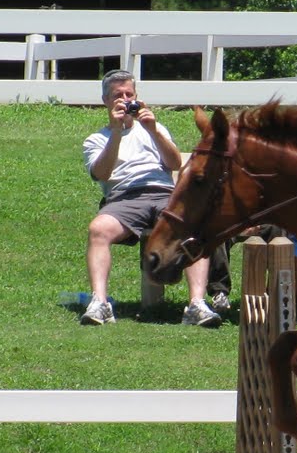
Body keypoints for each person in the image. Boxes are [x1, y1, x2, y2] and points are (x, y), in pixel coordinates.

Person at [80, 70, 224, 328]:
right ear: (105, 100)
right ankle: (100, 303)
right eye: (117, 96)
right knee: (98, 229)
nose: (124, 100)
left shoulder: (153, 128)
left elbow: (174, 162)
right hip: (124, 197)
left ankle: (197, 305)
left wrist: (154, 129)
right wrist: (115, 131)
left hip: (164, 194)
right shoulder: (96, 139)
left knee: (193, 229)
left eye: (129, 94)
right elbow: (102, 173)